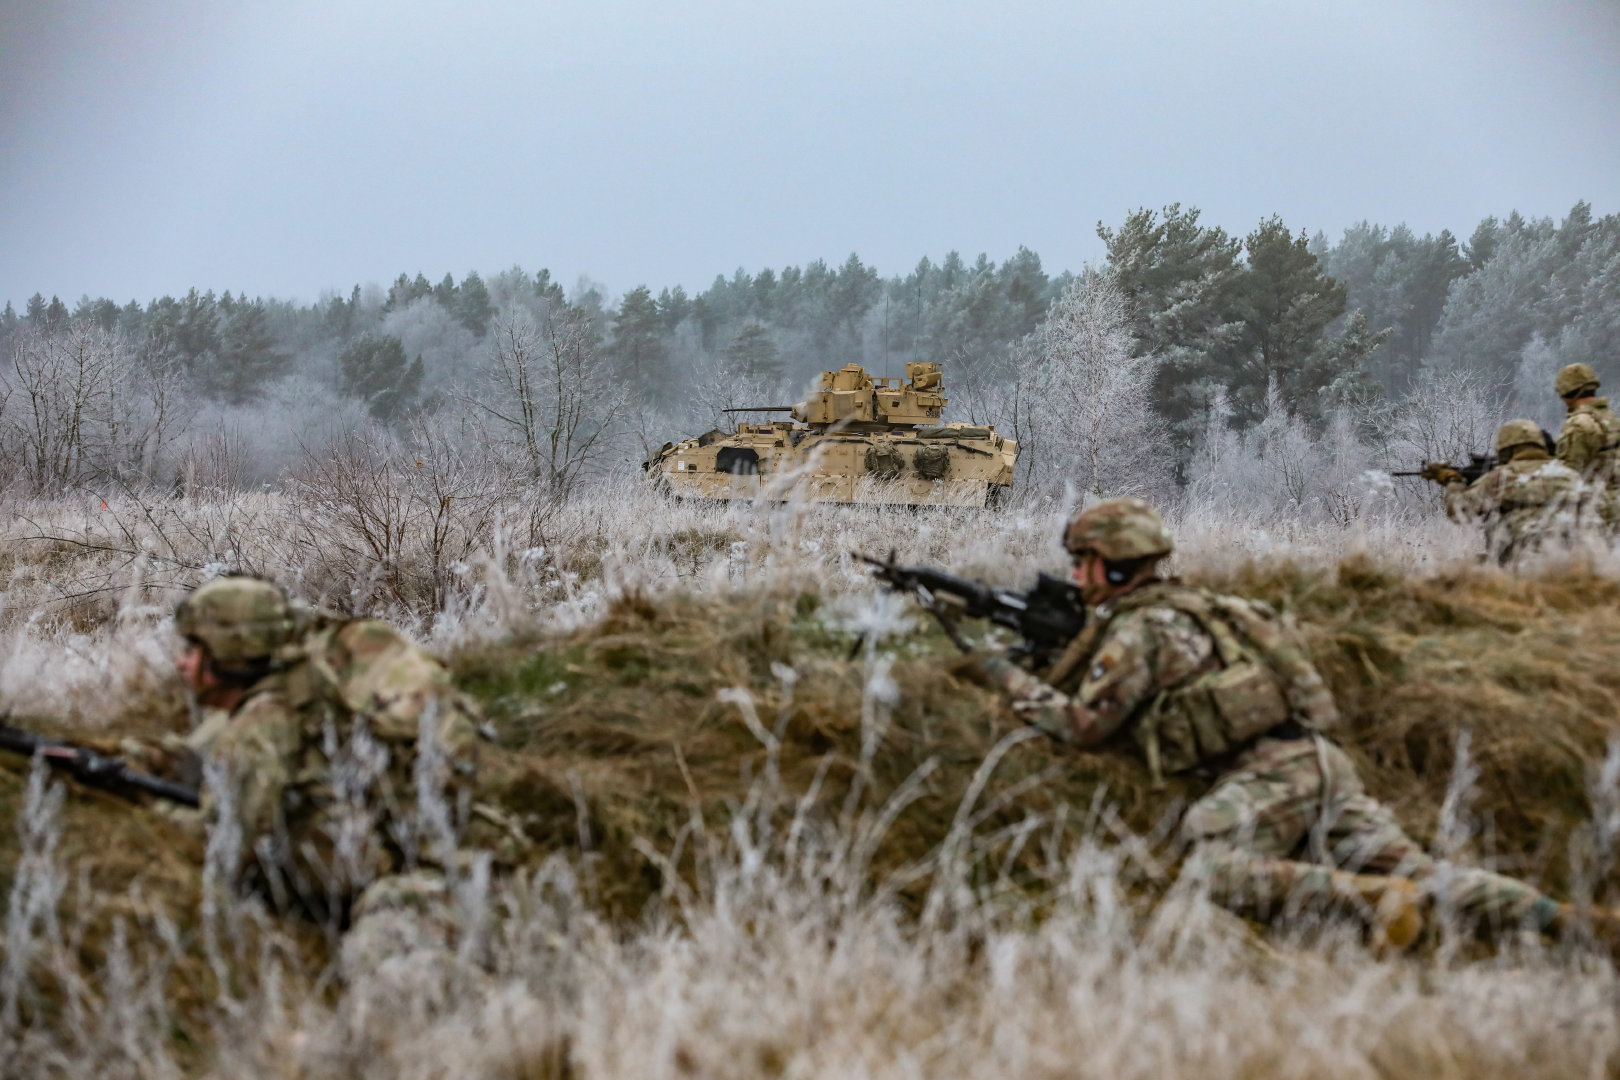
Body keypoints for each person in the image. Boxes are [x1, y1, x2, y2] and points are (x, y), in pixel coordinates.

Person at [974, 497, 1619, 953]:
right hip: (1321, 762)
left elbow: (1085, 725)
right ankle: (1564, 920)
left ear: (1114, 564)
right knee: (1426, 872)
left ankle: (1374, 900)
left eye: (1084, 560)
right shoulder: (1217, 608)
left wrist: (1001, 675)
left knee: (1209, 868)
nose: (1076, 574)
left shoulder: (1138, 630)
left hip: (1265, 776)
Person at [172, 576, 492, 974]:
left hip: (422, 884)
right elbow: (193, 755)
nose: (181, 663)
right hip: (432, 864)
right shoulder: (299, 692)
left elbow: (222, 847)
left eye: (192, 650)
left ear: (227, 652)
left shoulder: (262, 727)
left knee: (382, 968)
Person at [1422, 419, 1581, 563]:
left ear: (1507, 449)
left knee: (1454, 569)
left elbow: (1459, 511)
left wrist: (1453, 480)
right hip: (1570, 562)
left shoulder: (1501, 477)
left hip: (1517, 563)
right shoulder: (1570, 475)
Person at [1554, 362, 1620, 527]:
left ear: (1565, 393)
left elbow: (1569, 474)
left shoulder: (1578, 424)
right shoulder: (1612, 419)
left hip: (1598, 512)